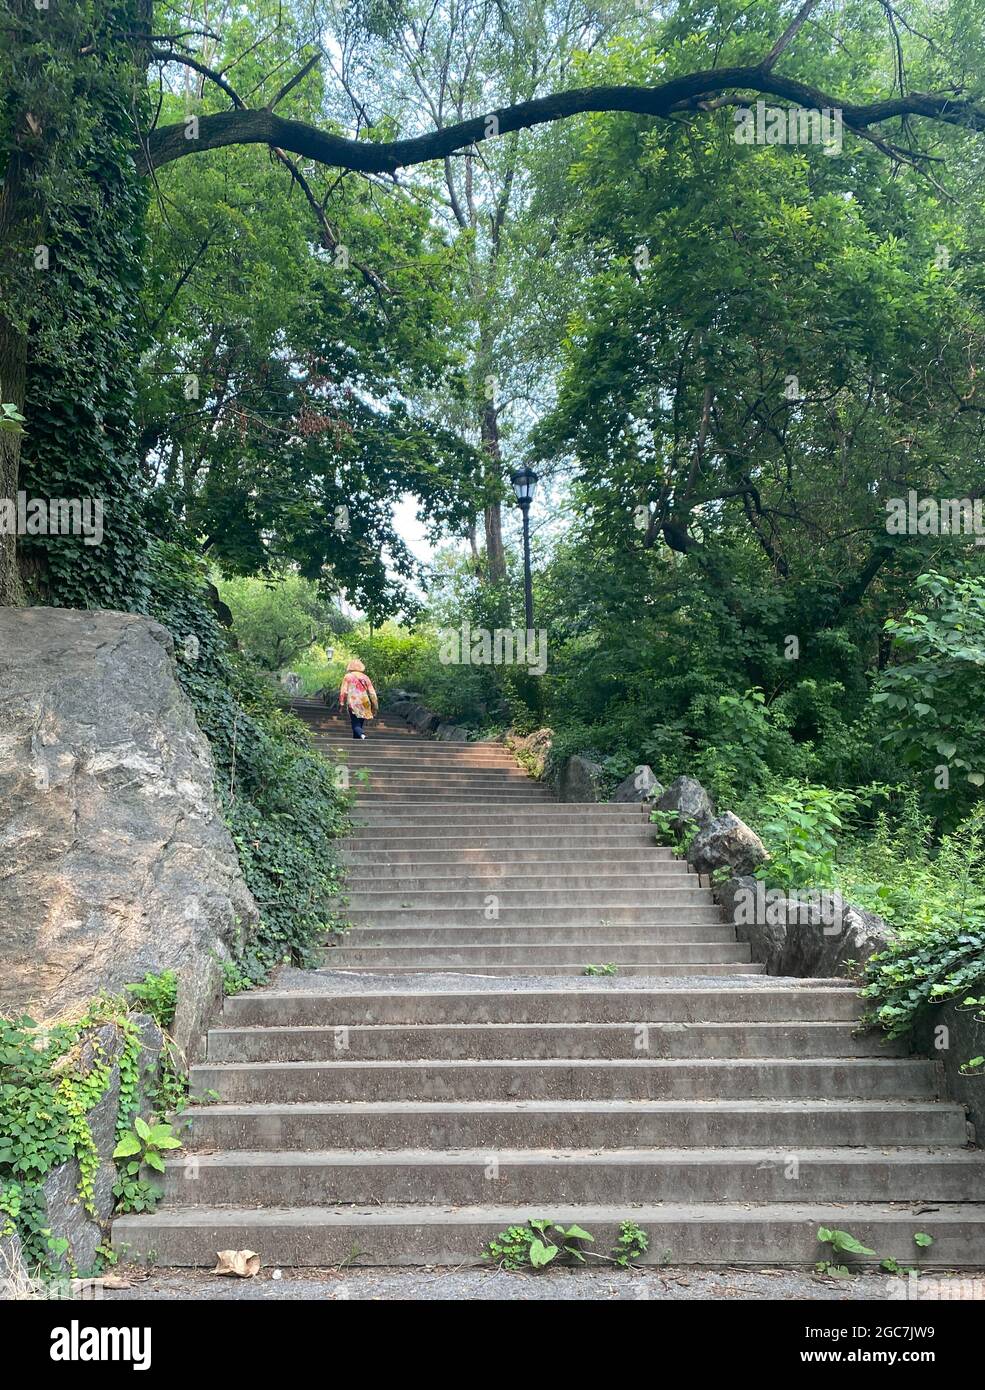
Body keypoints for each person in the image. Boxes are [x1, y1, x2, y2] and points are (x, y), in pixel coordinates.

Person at [338, 658, 379, 739]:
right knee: (360, 723)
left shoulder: (348, 677)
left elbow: (344, 692)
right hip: (365, 703)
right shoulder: (365, 677)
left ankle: (362, 735)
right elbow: (372, 693)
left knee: (355, 723)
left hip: (353, 702)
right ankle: (357, 740)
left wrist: (341, 704)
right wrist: (375, 706)